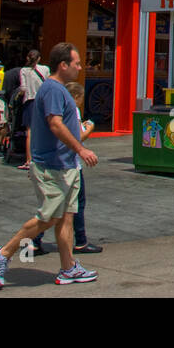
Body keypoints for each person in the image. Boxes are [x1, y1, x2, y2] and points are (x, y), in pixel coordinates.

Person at [0, 42, 100, 287]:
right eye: (77, 63)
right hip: (52, 166)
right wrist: (80, 148)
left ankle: (68, 268)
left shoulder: (58, 90)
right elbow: (55, 124)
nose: (80, 67)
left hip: (66, 165)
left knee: (66, 217)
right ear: (63, 65)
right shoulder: (53, 90)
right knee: (48, 218)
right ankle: (2, 254)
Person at [64, 82, 102, 254]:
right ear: (76, 97)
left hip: (58, 163)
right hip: (70, 164)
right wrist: (90, 128)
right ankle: (80, 241)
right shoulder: (73, 111)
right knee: (78, 204)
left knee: (56, 205)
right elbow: (78, 137)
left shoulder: (57, 111)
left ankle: (35, 241)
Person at [17, 50, 47, 171]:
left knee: (30, 132)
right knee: (44, 129)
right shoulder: (45, 69)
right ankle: (43, 157)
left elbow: (23, 88)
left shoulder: (24, 71)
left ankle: (29, 160)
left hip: (30, 101)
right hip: (43, 102)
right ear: (39, 58)